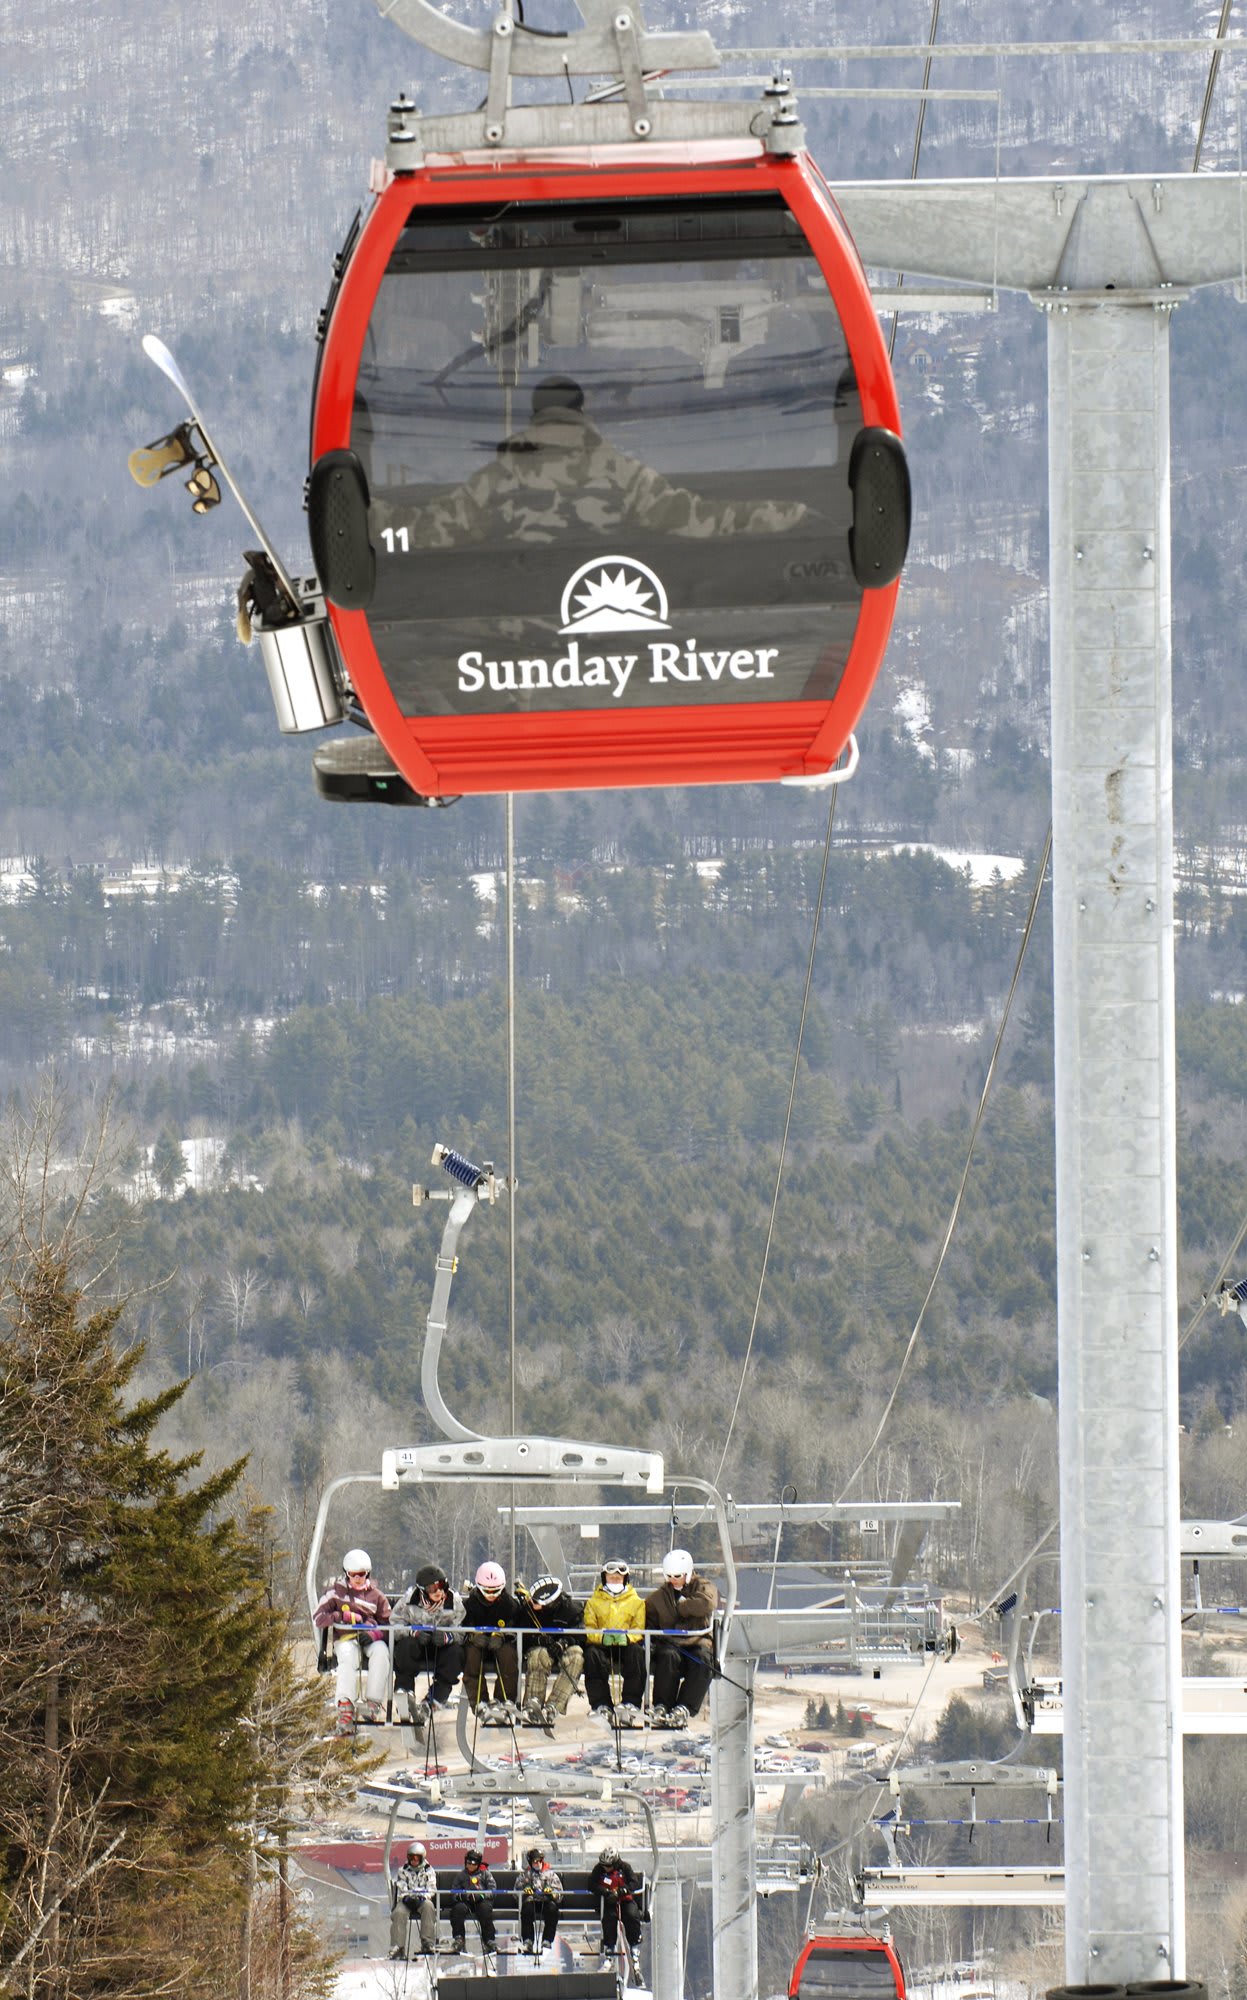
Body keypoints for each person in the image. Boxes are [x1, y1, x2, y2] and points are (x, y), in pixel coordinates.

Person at [398, 376, 810, 549]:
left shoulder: (497, 477)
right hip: (600, 644)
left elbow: (431, 528)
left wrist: (372, 519)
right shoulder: (621, 472)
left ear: (536, 416)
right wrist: (791, 514)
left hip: (513, 644)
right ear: (581, 413)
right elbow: (699, 518)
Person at [313, 1548, 391, 1735]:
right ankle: (345, 1707)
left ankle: (373, 1703)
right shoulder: (335, 1593)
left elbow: (389, 1625)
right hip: (346, 1639)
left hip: (369, 1639)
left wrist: (373, 1635)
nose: (357, 1578)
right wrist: (340, 1616)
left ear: (367, 1574)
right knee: (347, 1657)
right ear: (346, 1573)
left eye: (361, 1574)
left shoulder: (376, 1596)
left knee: (381, 1652)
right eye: (353, 1574)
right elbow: (318, 1618)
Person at [644, 1548, 718, 1725]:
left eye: (677, 1576)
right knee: (667, 1657)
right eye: (669, 1576)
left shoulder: (702, 1586)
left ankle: (684, 1707)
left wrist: (683, 1607)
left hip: (698, 1641)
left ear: (688, 1573)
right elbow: (649, 1619)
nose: (673, 1580)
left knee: (703, 1661)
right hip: (672, 1643)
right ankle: (662, 1705)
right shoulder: (660, 1597)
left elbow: (707, 1603)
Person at [391, 1562, 465, 1727]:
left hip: (441, 1646)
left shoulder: (453, 1602)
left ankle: (434, 1700)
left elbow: (462, 1631)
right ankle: (405, 1692)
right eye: (432, 1588)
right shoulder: (409, 1601)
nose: (438, 1591)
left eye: (441, 1586)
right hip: (418, 1644)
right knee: (405, 1646)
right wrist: (413, 1632)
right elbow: (394, 1624)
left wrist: (448, 1636)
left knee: (456, 1654)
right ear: (423, 1590)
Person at [583, 1560, 646, 1720]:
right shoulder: (593, 1602)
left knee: (637, 1653)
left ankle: (631, 1702)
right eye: (611, 1578)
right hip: (602, 1644)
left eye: (618, 1578)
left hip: (626, 1644)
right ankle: (601, 1704)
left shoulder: (636, 1602)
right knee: (592, 1655)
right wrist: (602, 1637)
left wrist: (627, 1637)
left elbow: (639, 1628)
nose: (615, 1581)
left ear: (625, 1579)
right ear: (604, 1579)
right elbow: (589, 1628)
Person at [460, 1561, 522, 1721]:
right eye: (487, 1591)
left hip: (499, 1645)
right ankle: (479, 1702)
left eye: (496, 1591)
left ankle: (504, 1700)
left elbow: (515, 1627)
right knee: (471, 1656)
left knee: (508, 1655)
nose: (491, 1595)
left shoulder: (509, 1605)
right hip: (478, 1644)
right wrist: (473, 1636)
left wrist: (503, 1636)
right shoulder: (470, 1605)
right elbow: (463, 1627)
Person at [519, 1575, 584, 1725]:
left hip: (565, 1648)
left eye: (536, 1602)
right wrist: (538, 1640)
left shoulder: (572, 1610)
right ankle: (533, 1702)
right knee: (538, 1655)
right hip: (542, 1648)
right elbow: (522, 1635)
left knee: (576, 1657)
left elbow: (581, 1634)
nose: (531, 1603)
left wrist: (563, 1643)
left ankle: (554, 1705)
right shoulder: (529, 1612)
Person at [590, 1846, 644, 1958]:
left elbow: (634, 1882)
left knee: (631, 1915)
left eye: (608, 1866)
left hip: (625, 1899)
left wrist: (621, 1891)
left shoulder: (625, 1867)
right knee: (609, 1917)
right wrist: (605, 1892)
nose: (605, 1868)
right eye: (603, 1865)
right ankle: (610, 1945)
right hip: (609, 1901)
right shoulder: (599, 1869)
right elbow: (591, 1884)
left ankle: (634, 1942)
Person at [389, 1841, 438, 1959]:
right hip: (407, 1899)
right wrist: (407, 1896)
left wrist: (423, 1897)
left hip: (422, 1899)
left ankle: (427, 1942)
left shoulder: (429, 1870)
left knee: (429, 1907)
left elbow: (431, 1888)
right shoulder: (403, 1870)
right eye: (411, 1858)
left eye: (417, 1858)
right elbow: (401, 1885)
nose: (414, 1861)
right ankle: (398, 1947)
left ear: (422, 1858)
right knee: (399, 1912)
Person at [449, 1846, 497, 1953]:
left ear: (478, 1864)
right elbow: (454, 1892)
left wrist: (481, 1895)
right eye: (468, 1863)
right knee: (458, 1909)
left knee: (485, 1909)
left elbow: (493, 1890)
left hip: (481, 1900)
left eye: (474, 1864)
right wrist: (462, 1896)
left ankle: (489, 1940)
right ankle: (459, 1939)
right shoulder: (461, 1875)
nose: (471, 1866)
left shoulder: (486, 1874)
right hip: (466, 1902)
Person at [518, 1845, 564, 1954]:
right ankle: (528, 1941)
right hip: (532, 1901)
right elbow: (516, 1891)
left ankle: (547, 1941)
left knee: (552, 1910)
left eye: (539, 1861)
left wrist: (552, 1893)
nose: (537, 1864)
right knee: (526, 1910)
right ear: (530, 1863)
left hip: (546, 1901)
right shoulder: (525, 1875)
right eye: (535, 1862)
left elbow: (560, 1893)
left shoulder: (550, 1874)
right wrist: (524, 1891)